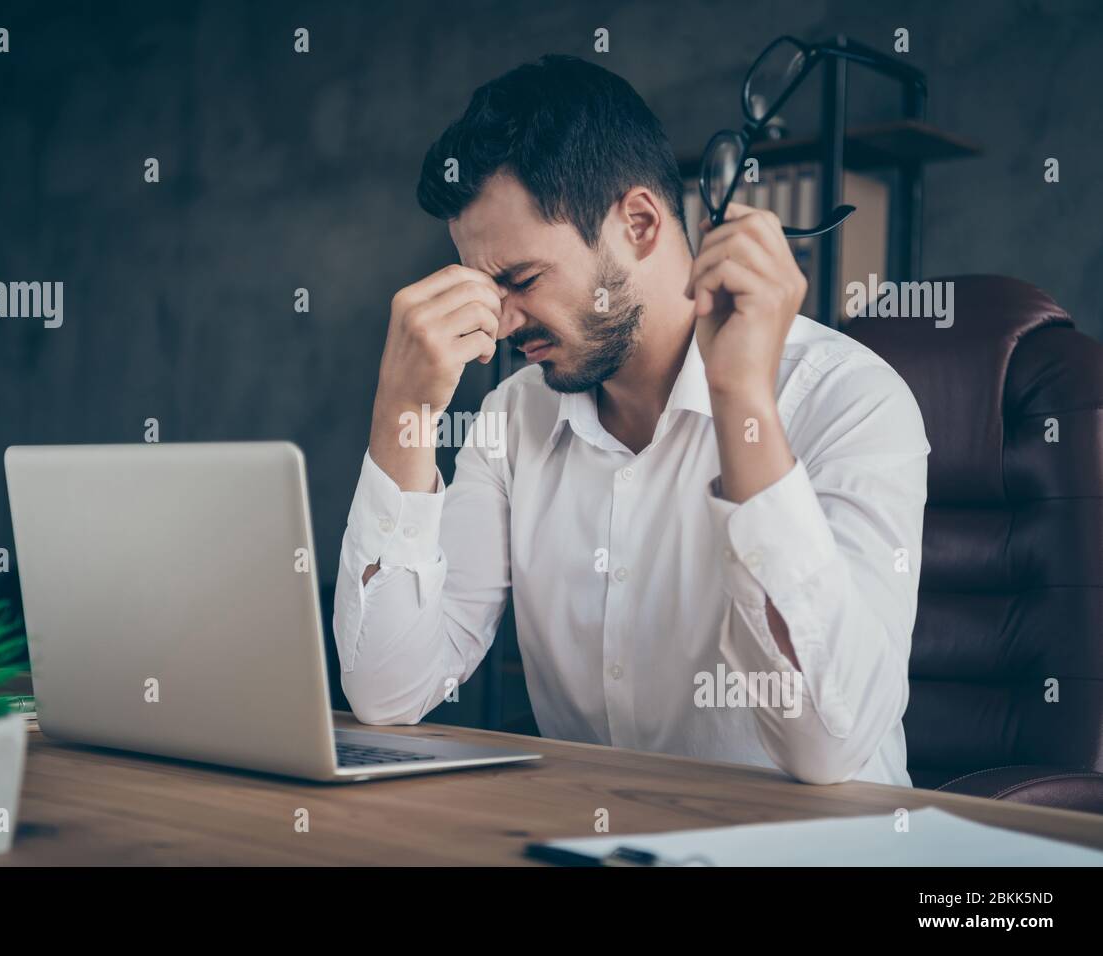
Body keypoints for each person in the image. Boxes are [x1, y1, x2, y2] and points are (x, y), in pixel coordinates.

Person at [333, 54, 929, 786]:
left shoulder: (851, 398)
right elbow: (388, 691)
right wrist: (402, 413)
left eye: (520, 280)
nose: (501, 322)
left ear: (639, 222)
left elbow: (828, 749)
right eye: (484, 287)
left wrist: (741, 400)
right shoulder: (513, 419)